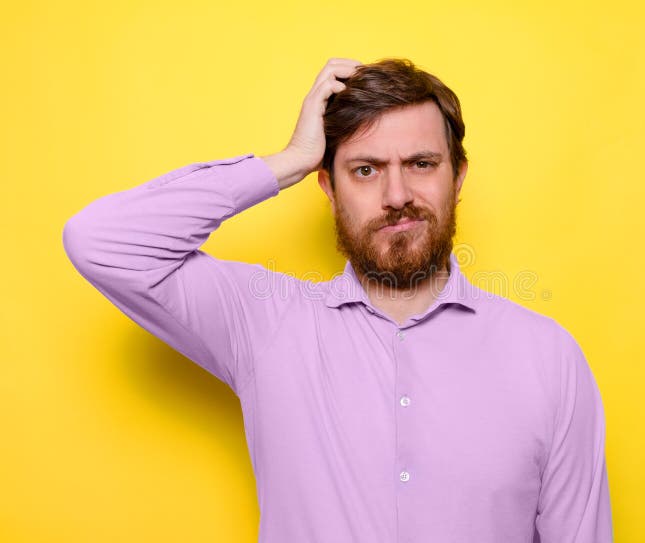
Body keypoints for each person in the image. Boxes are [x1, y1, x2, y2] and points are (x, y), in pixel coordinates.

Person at [63, 57, 613, 543]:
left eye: (421, 164)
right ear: (327, 186)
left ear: (458, 175)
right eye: (365, 170)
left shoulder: (548, 357)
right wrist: (288, 161)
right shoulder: (264, 324)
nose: (397, 196)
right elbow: (101, 240)